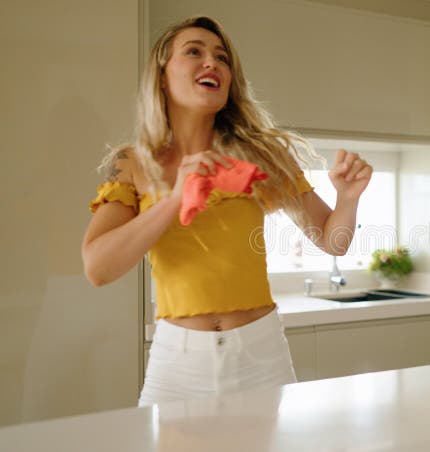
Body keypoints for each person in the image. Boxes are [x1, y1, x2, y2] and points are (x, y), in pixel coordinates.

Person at [81, 16, 372, 406]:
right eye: (194, 52)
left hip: (261, 357)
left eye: (222, 58)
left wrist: (348, 199)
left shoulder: (262, 156)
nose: (212, 63)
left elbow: (333, 242)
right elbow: (98, 268)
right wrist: (174, 198)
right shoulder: (133, 163)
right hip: (177, 366)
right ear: (162, 76)